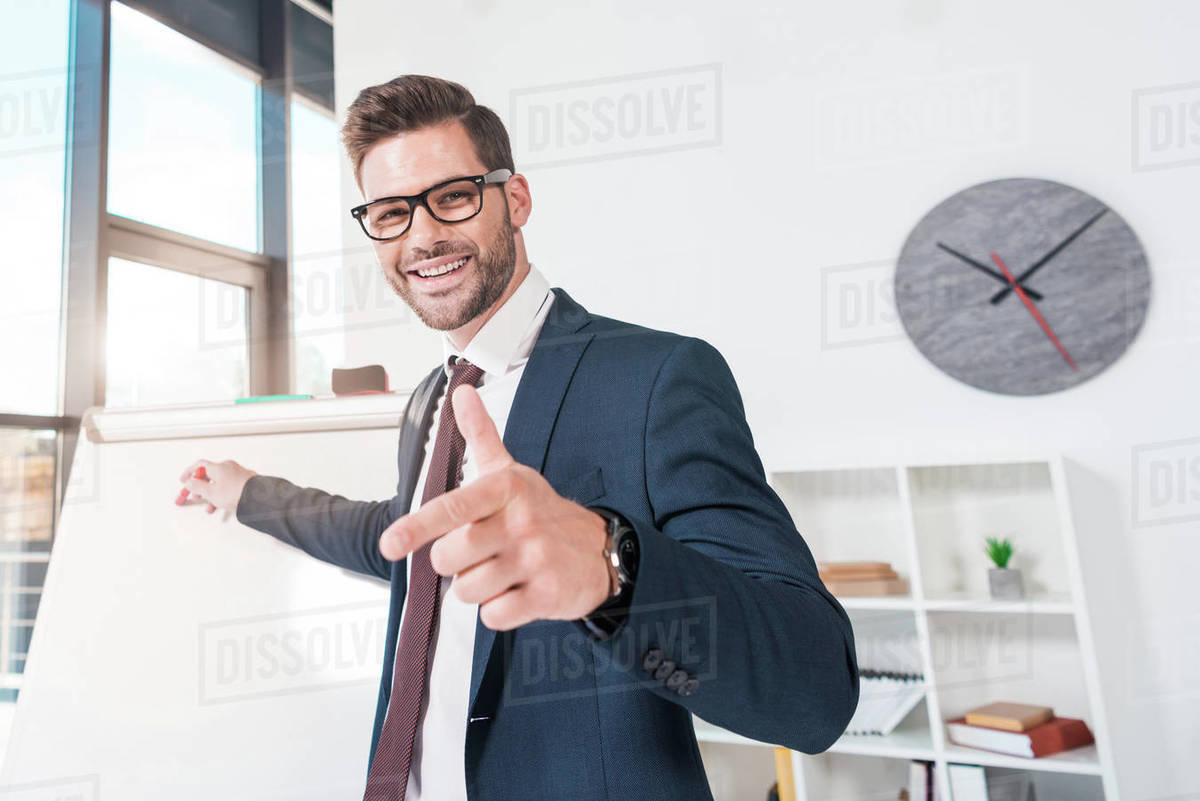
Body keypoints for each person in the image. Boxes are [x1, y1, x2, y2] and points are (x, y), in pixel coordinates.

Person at [178, 74, 858, 801]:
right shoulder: (430, 400)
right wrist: (249, 492)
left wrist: (608, 566)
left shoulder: (658, 377)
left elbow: (814, 689)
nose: (423, 235)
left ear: (517, 198)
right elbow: (401, 536)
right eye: (390, 213)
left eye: (453, 196)